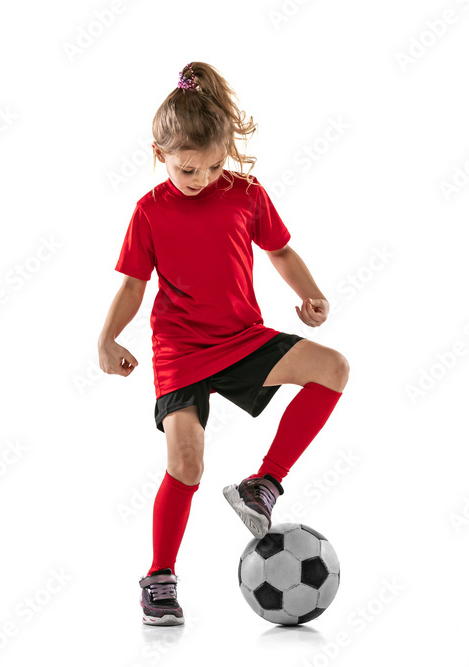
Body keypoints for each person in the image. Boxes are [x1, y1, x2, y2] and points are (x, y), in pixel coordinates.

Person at [97, 62, 349, 626]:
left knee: (332, 367)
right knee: (186, 463)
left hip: (241, 338)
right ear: (158, 152)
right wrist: (108, 336)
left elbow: (280, 251)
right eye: (189, 167)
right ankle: (159, 578)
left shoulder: (245, 194)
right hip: (181, 351)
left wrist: (312, 296)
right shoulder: (149, 211)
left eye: (214, 166)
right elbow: (134, 284)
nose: (202, 177)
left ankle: (264, 485)